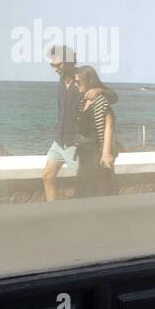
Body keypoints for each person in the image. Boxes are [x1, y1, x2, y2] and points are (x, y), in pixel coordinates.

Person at [41, 45, 79, 201]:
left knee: (90, 182)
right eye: (52, 65)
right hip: (59, 140)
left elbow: (112, 95)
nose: (55, 69)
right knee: (47, 175)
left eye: (58, 65)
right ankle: (53, 212)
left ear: (70, 62)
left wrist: (99, 91)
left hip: (75, 143)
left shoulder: (83, 76)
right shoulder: (62, 80)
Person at [73, 65, 118, 198]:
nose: (76, 85)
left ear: (90, 81)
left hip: (96, 154)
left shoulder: (100, 100)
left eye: (78, 81)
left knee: (98, 193)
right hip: (84, 155)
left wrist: (105, 153)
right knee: (84, 192)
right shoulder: (84, 98)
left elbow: (109, 125)